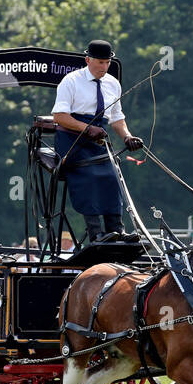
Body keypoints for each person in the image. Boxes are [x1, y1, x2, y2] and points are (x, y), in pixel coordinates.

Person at [51, 39, 144, 244]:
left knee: (112, 176)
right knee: (88, 175)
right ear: (88, 60)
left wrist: (128, 137)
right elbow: (59, 116)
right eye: (100, 62)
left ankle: (117, 231)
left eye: (107, 62)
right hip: (72, 140)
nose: (104, 67)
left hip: (98, 139)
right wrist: (86, 128)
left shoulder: (113, 84)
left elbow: (117, 118)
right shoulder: (71, 81)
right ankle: (96, 233)